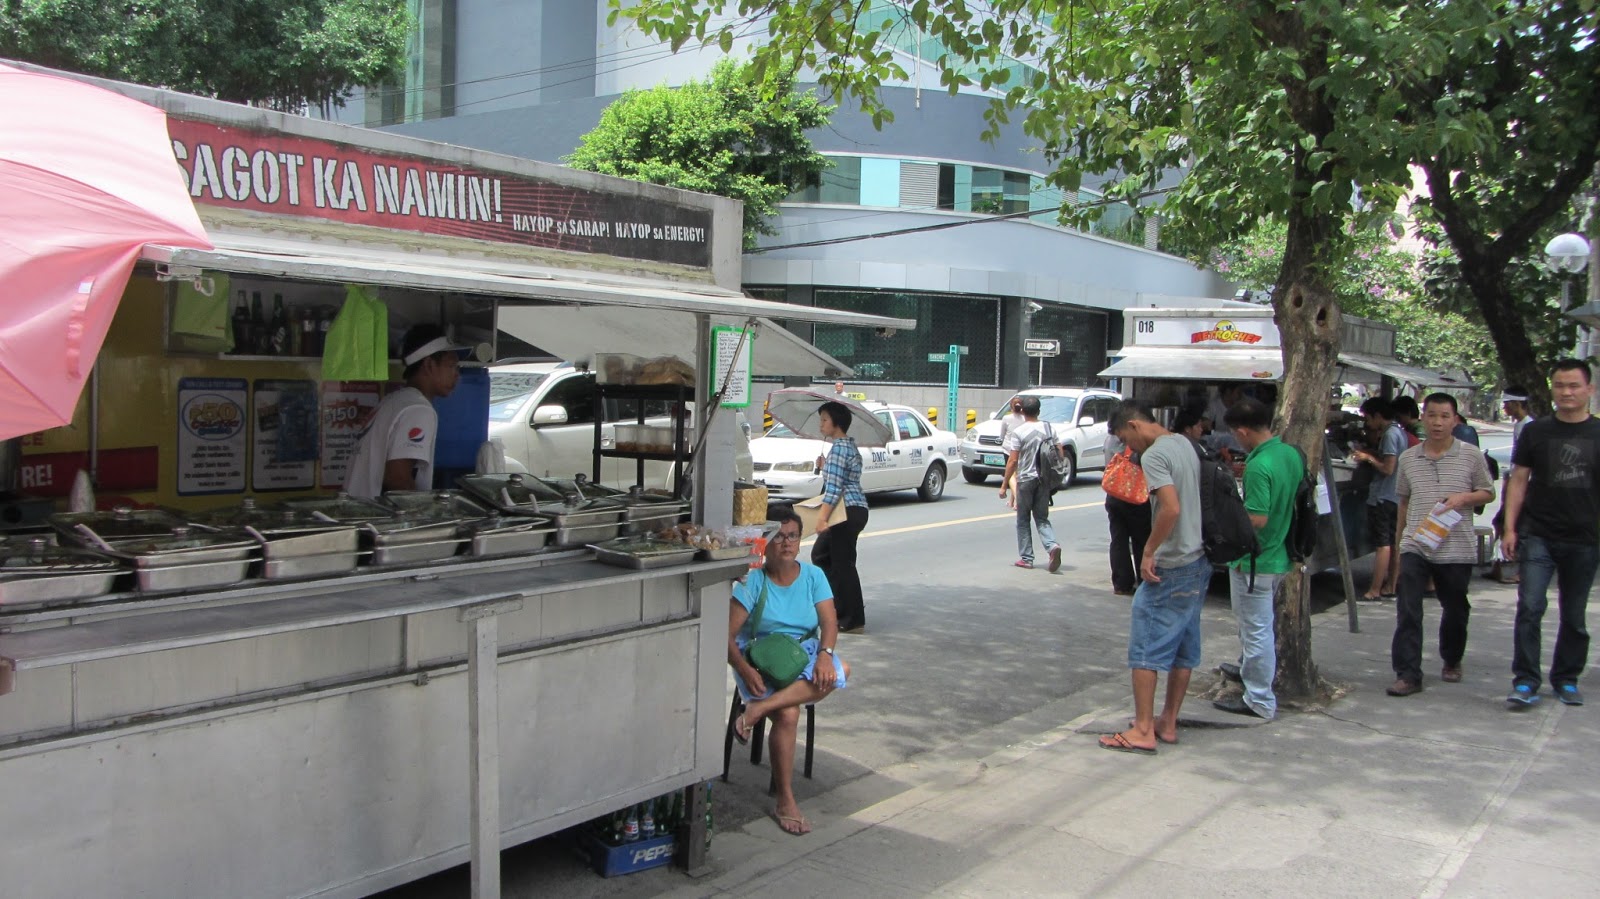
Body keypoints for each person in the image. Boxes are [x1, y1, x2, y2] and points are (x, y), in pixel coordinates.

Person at [729, 510, 850, 835]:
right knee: (789, 715)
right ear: (765, 543)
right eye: (778, 536)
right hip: (759, 656)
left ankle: (758, 709)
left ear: (800, 540)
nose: (786, 543)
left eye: (792, 536)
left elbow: (828, 621)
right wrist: (743, 668)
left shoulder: (813, 576)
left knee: (842, 668)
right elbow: (726, 636)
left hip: (801, 652)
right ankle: (785, 800)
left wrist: (825, 655)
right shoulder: (752, 579)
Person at [1098, 401, 1210, 754]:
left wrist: (1148, 552)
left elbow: (1171, 507)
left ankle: (1143, 729)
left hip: (1172, 562)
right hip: (1197, 559)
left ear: (1134, 425)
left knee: (1145, 646)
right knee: (1183, 645)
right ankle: (1168, 721)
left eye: (1124, 437)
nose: (1127, 447)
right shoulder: (1183, 443)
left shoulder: (1155, 456)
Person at [1501, 360, 1600, 708]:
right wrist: (1510, 528)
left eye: (1574, 385)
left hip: (1585, 538)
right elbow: (1518, 480)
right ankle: (1526, 680)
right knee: (1529, 607)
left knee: (1574, 614)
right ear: (1551, 389)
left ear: (1589, 389)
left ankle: (1566, 678)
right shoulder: (1536, 431)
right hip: (1538, 533)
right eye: (1560, 385)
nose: (1567, 392)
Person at [1386, 394, 1496, 697]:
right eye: (1432, 415)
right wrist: (1398, 549)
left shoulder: (1471, 455)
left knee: (1456, 607)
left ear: (1455, 420)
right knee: (1408, 609)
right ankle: (1408, 673)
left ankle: (1452, 657)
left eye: (1444, 416)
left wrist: (1464, 498)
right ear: (1423, 418)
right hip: (1416, 544)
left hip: (1455, 545)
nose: (1437, 422)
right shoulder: (1409, 457)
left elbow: (1488, 493)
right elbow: (1403, 504)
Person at [1213, 398, 1299, 719]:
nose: (1237, 440)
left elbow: (1257, 518)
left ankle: (1259, 699)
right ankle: (1249, 673)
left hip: (1255, 561)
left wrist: (1227, 524)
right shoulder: (1289, 454)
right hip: (1278, 555)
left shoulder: (1259, 466)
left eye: (1236, 434)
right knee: (1257, 627)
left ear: (1244, 431)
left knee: (1256, 630)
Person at [344, 323, 461, 498]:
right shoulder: (418, 409)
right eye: (452, 366)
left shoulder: (395, 400)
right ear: (429, 364)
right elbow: (397, 479)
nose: (457, 374)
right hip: (376, 519)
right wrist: (424, 515)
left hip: (359, 511)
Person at [811, 401, 869, 633]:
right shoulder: (847, 446)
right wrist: (825, 466)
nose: (821, 424)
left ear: (837, 423)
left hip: (846, 511)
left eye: (825, 419)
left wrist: (821, 519)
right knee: (823, 556)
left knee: (842, 564)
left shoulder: (838, 449)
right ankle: (838, 610)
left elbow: (833, 489)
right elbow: (842, 476)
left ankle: (852, 619)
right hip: (855, 509)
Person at [1350, 397, 1407, 601]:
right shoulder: (1399, 431)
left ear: (1377, 416)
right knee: (1393, 542)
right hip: (1395, 495)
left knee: (1383, 544)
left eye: (1368, 418)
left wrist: (1368, 459)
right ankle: (1390, 584)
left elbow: (1388, 468)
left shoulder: (1390, 435)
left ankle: (1375, 589)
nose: (1367, 424)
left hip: (1384, 496)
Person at [999, 395, 1062, 571]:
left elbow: (1012, 461)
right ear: (1039, 411)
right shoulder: (1049, 428)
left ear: (1023, 412)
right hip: (1044, 480)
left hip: (1026, 479)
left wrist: (1004, 485)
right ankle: (1052, 546)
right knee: (1042, 518)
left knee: (1023, 519)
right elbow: (1059, 450)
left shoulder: (1019, 432)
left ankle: (1027, 558)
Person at [1490, 386, 1535, 584]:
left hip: (1526, 485)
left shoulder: (1528, 427)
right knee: (1500, 522)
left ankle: (1521, 569)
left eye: (1507, 405)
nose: (1505, 409)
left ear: (1517, 404)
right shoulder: (1520, 426)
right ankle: (1499, 566)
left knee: (1519, 526)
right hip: (1514, 480)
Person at [1104, 433, 1151, 596]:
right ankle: (1144, 581)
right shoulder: (1137, 443)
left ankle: (1121, 583)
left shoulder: (1110, 440)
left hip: (1114, 494)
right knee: (1140, 539)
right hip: (1134, 497)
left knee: (1118, 540)